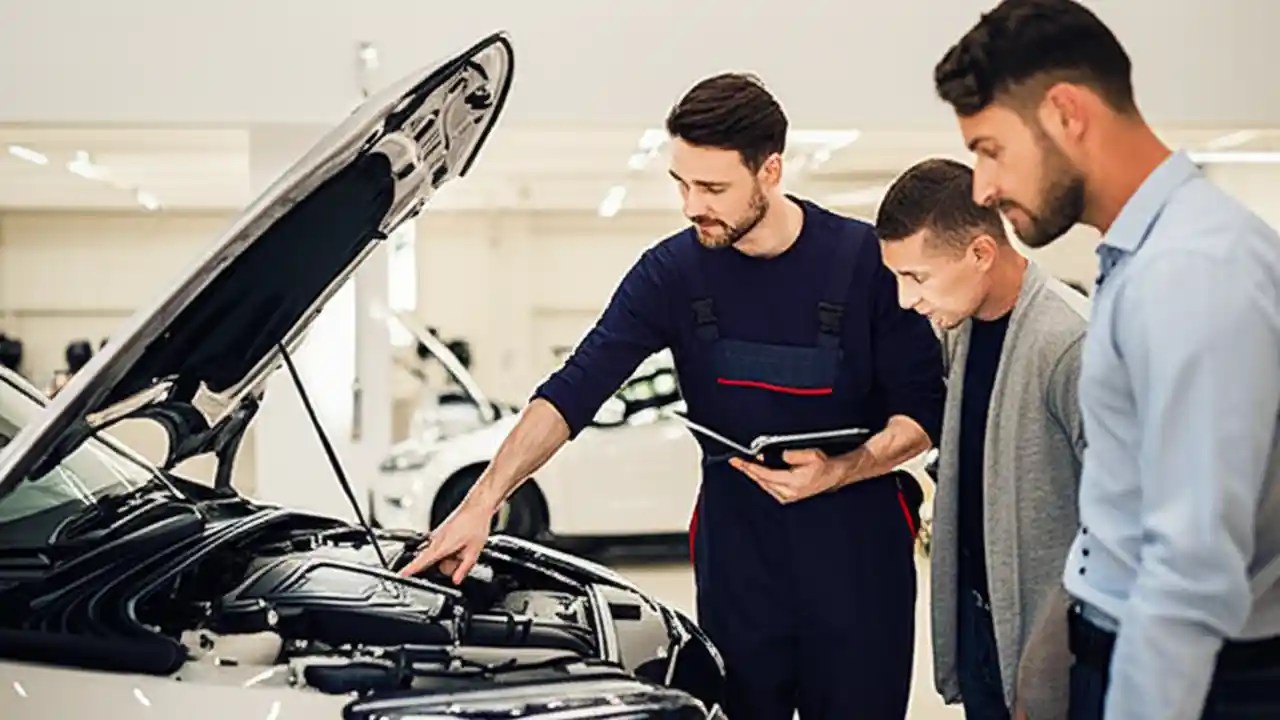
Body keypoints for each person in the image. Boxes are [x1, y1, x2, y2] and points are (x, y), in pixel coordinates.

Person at [401, 72, 946, 719]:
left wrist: (840, 470)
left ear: (770, 171)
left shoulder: (864, 263)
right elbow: (574, 390)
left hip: (858, 559)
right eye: (682, 184)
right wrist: (481, 502)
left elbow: (924, 411)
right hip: (741, 560)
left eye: (713, 187)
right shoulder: (673, 273)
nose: (692, 205)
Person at [934, 1, 1280, 718]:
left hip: (1196, 678)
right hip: (1123, 650)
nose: (982, 189)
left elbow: (1189, 569)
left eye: (990, 149)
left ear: (1066, 113)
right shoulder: (1138, 258)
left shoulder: (1193, 270)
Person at [876, 157, 1087, 720]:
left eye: (916, 277)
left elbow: (1123, 525)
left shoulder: (1072, 344)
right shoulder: (962, 331)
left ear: (980, 253)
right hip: (986, 628)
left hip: (1057, 653)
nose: (905, 299)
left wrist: (1052, 666)